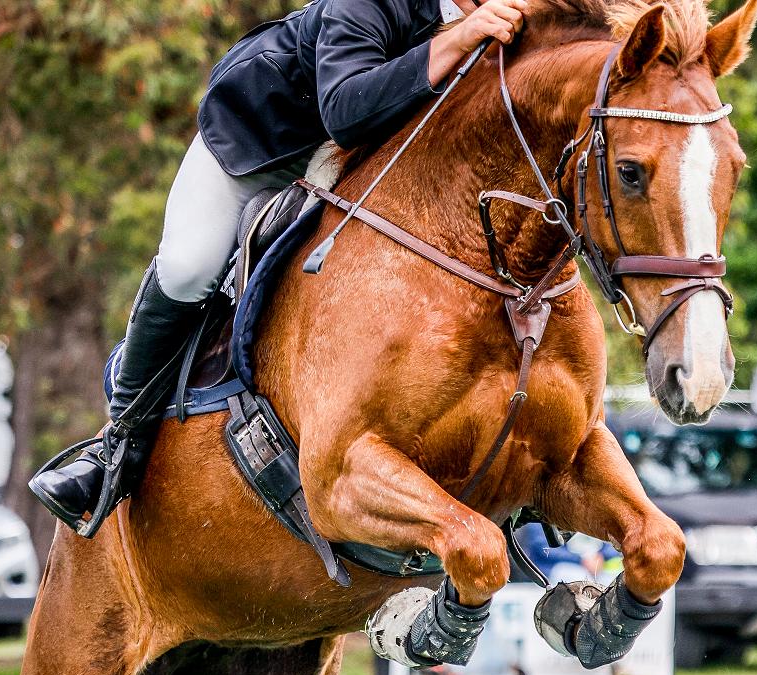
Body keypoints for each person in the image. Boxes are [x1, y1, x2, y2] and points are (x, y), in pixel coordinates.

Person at [30, 0, 530, 536]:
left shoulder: (514, 16)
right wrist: (459, 39)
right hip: (259, 145)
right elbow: (345, 109)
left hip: (357, 168)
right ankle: (117, 448)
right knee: (188, 267)